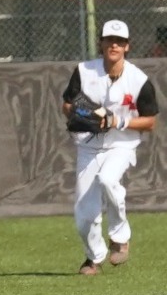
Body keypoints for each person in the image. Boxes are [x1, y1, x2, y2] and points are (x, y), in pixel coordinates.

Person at [64, 19, 158, 275]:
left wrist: (117, 121)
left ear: (127, 46)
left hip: (122, 145)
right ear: (101, 43)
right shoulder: (84, 71)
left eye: (119, 41)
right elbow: (67, 105)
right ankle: (93, 257)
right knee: (84, 214)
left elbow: (150, 122)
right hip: (89, 146)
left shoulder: (138, 80)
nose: (114, 45)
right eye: (109, 40)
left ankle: (120, 236)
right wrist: (83, 114)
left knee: (108, 179)